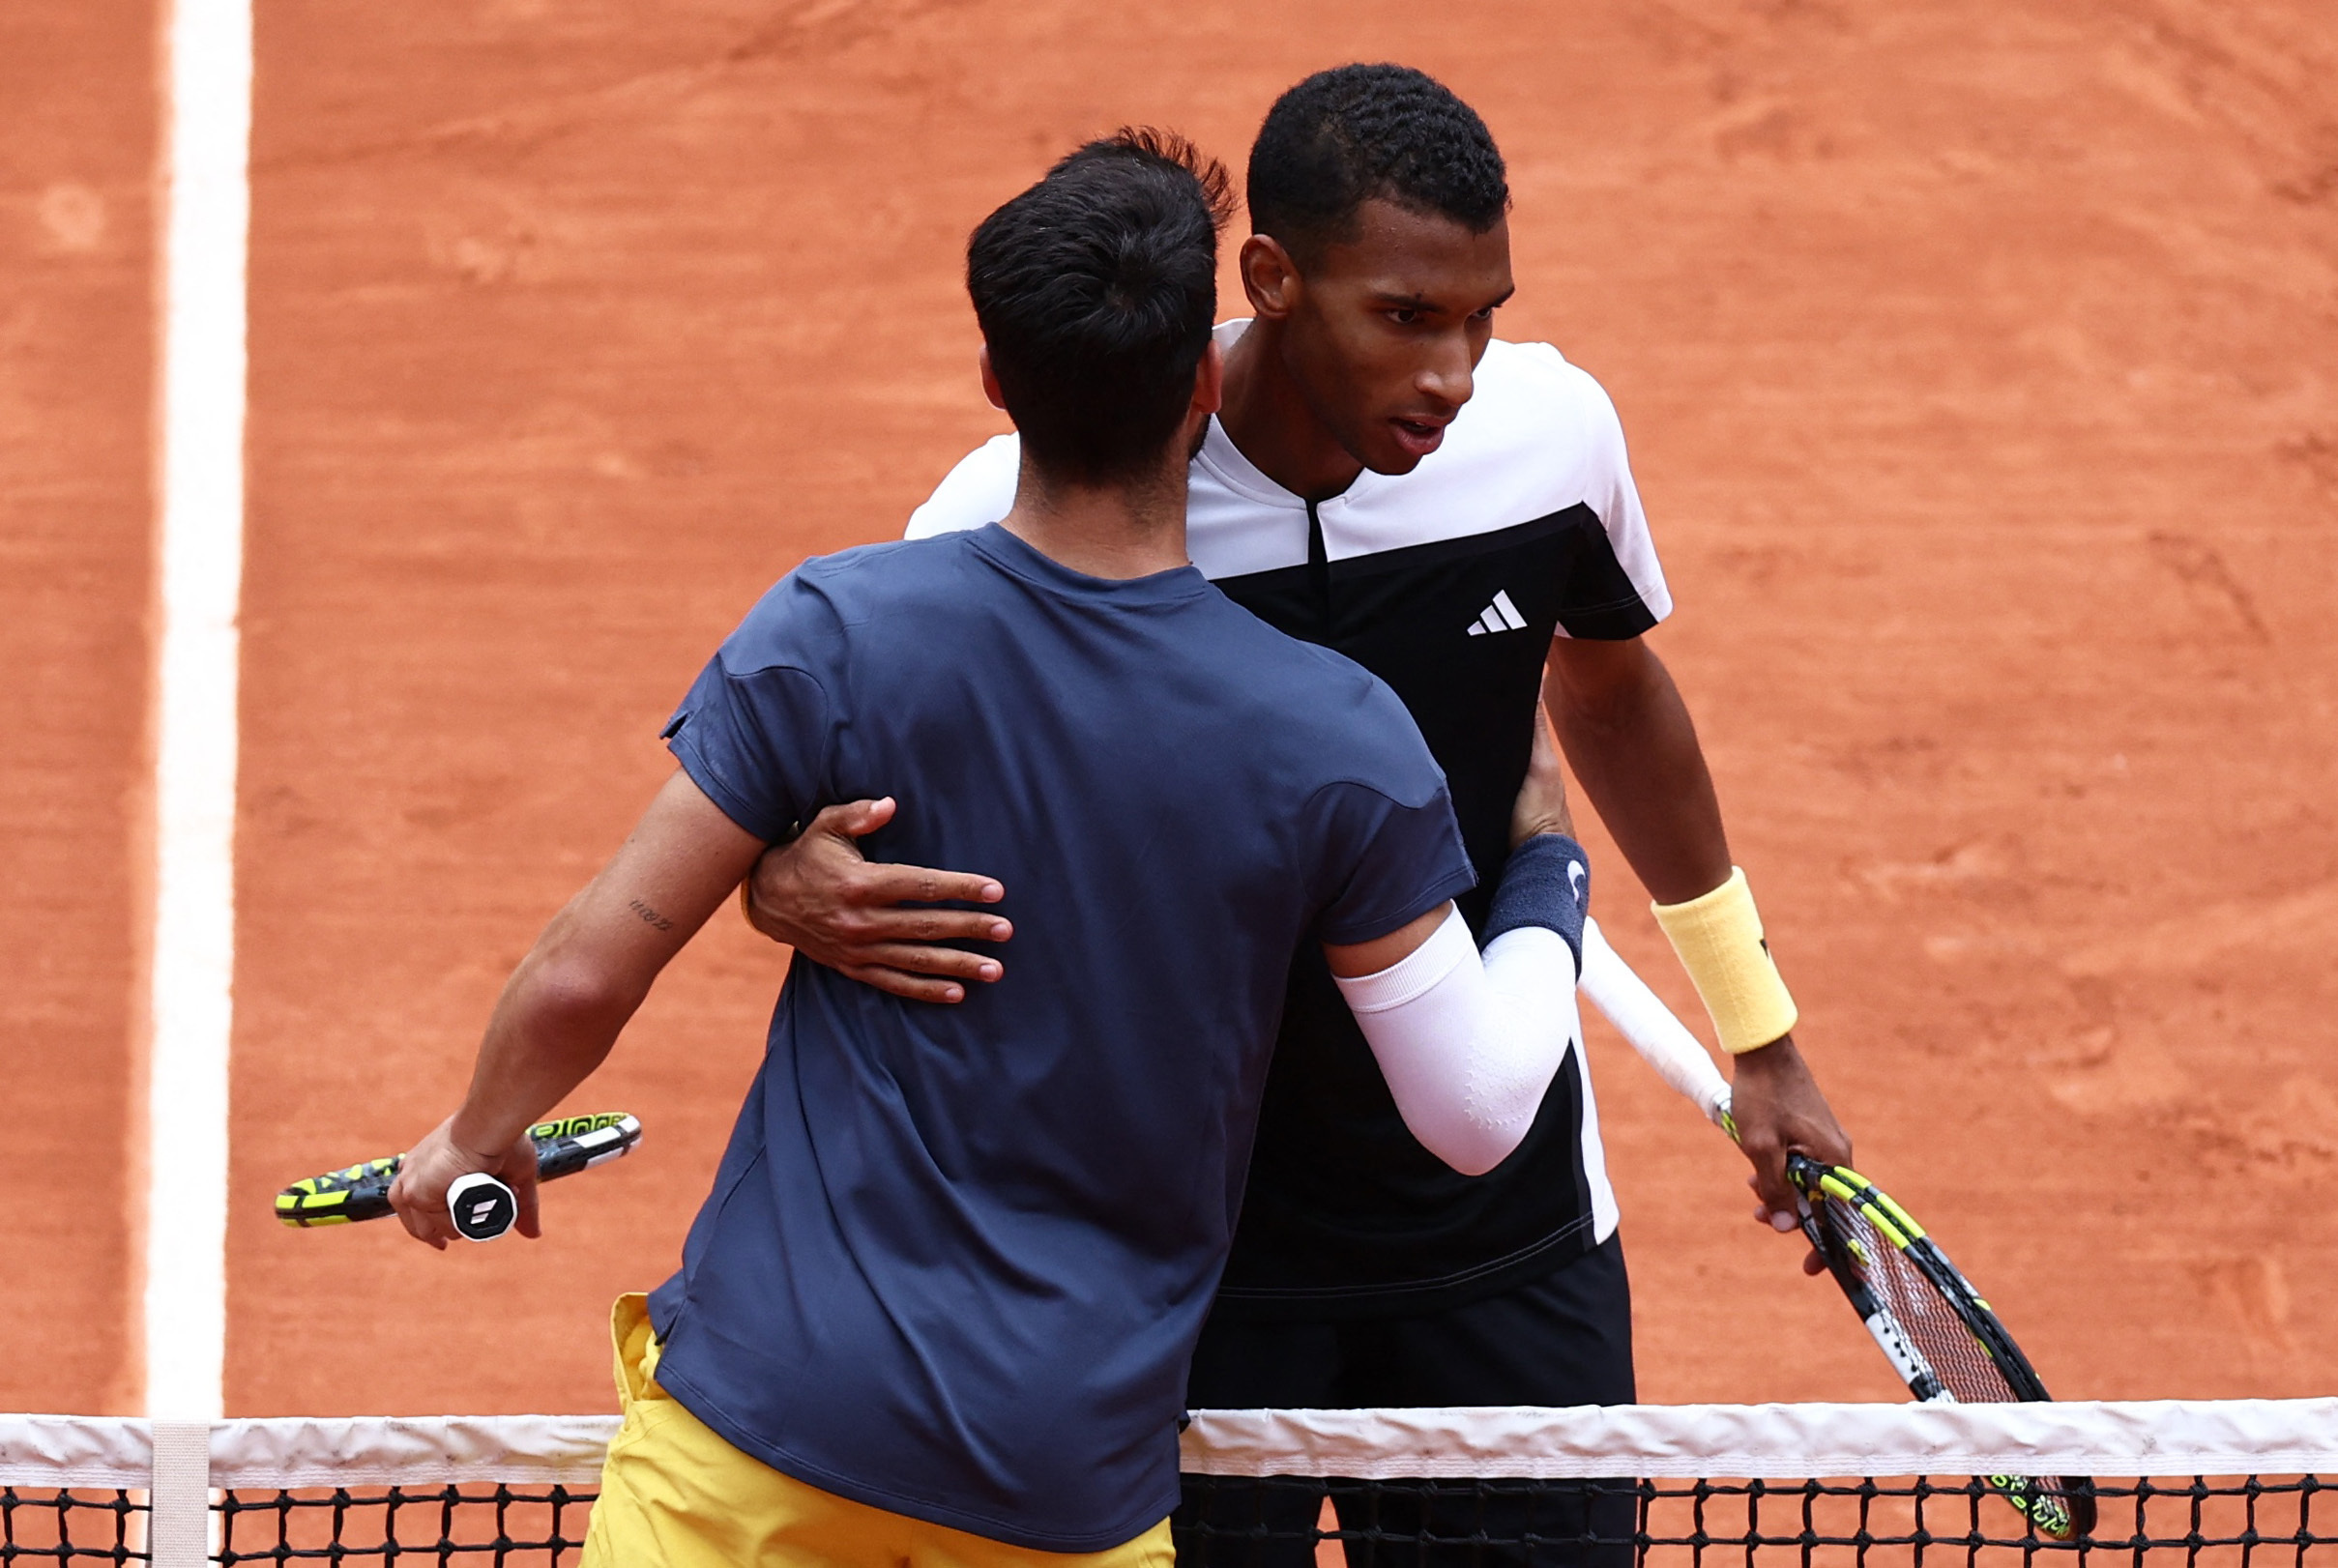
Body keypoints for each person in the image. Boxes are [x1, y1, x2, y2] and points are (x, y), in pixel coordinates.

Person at [387, 130, 1603, 1568]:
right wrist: (1542, 860)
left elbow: (586, 973)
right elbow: (1473, 1108)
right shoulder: (1334, 735)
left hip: (756, 1433)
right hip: (1056, 1487)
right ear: (1202, 385)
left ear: (992, 383)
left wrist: (474, 1132)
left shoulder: (830, 630)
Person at [740, 65, 1856, 1565]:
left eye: (1482, 314)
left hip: (1500, 1235)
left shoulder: (1550, 437)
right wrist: (775, 871)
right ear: (1265, 280)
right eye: (1404, 316)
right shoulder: (1043, 509)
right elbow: (816, 784)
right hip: (1176, 1258)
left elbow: (1611, 696)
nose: (1454, 370)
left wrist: (1759, 1030)